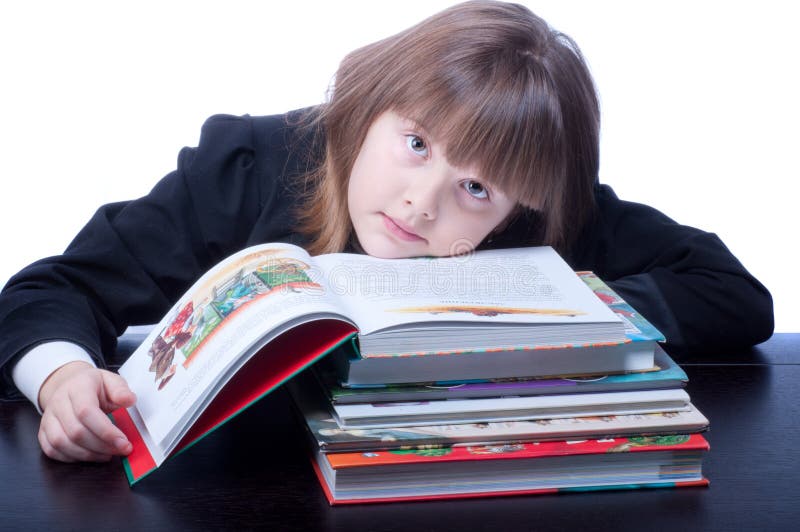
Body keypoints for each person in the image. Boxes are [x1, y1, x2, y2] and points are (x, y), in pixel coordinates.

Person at [0, 1, 773, 463]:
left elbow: (733, 294)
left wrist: (558, 302)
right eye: (416, 144)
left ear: (520, 201)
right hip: (242, 485)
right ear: (369, 106)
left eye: (476, 188)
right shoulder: (248, 163)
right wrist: (62, 377)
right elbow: (54, 288)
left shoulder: (540, 220)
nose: (423, 204)